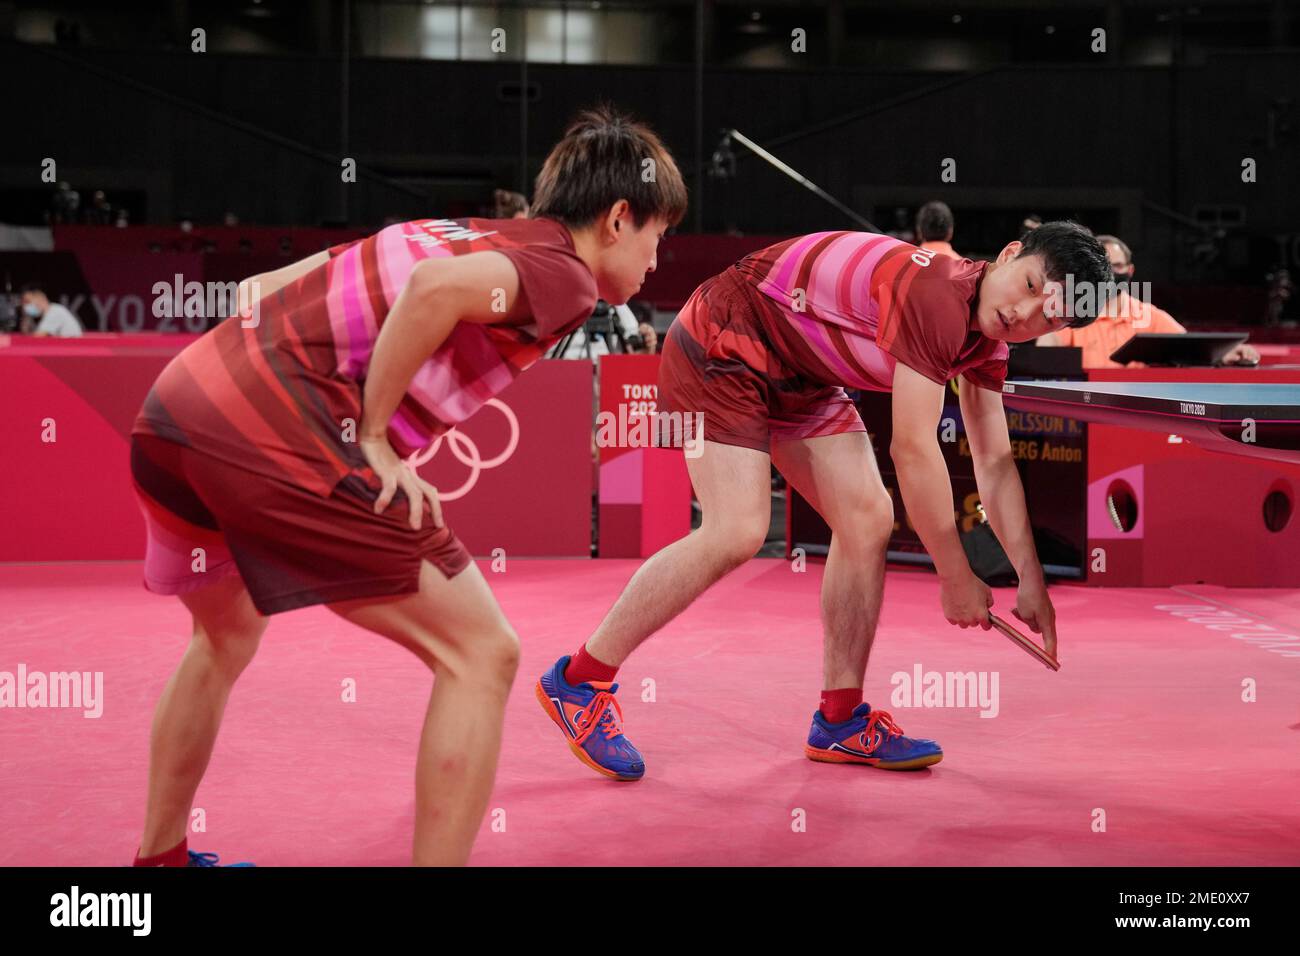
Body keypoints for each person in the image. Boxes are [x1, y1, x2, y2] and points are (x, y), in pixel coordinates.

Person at [127, 106, 686, 866]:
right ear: (620, 218)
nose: (658, 259)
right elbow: (433, 292)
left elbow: (258, 289)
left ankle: (159, 857)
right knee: (481, 653)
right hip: (273, 429)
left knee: (222, 636)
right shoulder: (565, 276)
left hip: (173, 411)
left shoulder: (455, 228)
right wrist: (371, 437)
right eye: (660, 234)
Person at [537, 222, 1109, 780]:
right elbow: (913, 449)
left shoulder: (987, 344)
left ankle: (839, 720)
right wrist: (955, 575)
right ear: (1010, 254)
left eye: (1048, 316)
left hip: (802, 373)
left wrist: (1029, 577)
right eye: (1031, 286)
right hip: (727, 330)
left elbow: (995, 461)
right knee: (736, 530)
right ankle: (579, 680)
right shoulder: (939, 296)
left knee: (866, 519)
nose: (1024, 314)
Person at [1037, 234, 1259, 367]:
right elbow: (1044, 355)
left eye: (1117, 266)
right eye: (1102, 266)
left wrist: (1227, 354)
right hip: (1088, 414)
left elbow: (1192, 349)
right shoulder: (1072, 315)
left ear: (1130, 271)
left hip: (1138, 414)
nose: (1110, 273)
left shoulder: (1150, 316)